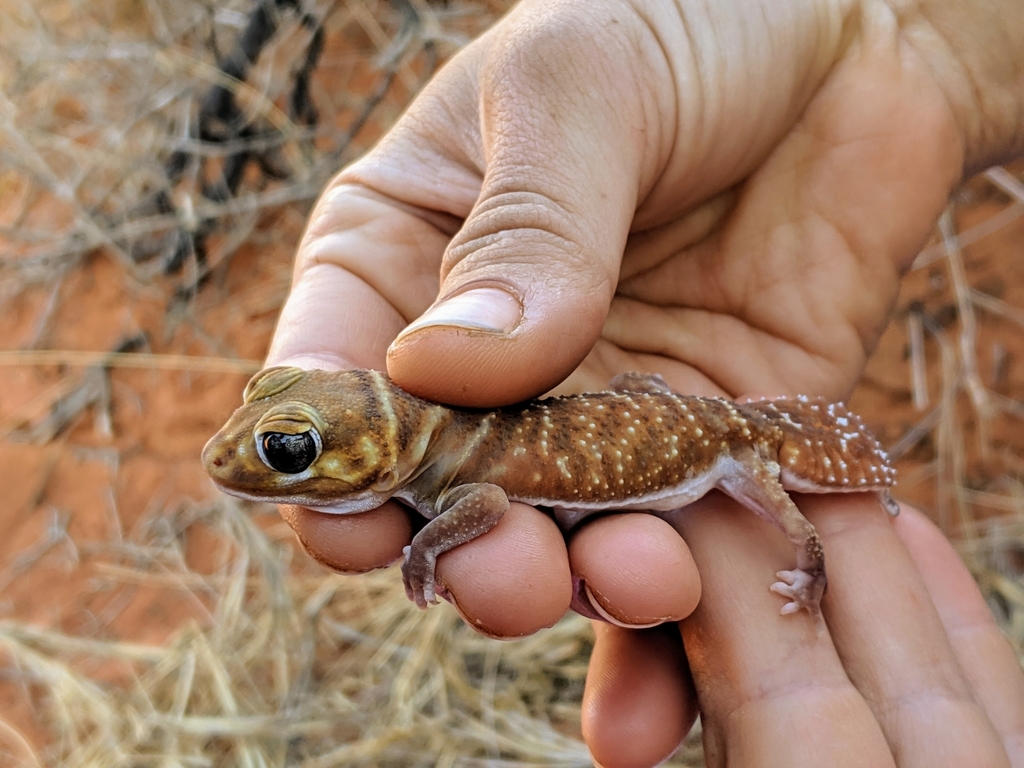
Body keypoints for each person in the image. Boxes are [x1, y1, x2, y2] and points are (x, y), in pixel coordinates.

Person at [264, 1, 1024, 765]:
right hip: (665, 413)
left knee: (793, 527)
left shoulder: (454, 464)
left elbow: (487, 503)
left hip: (719, 444)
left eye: (289, 445)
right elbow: (488, 496)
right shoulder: (436, 452)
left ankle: (818, 567)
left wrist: (426, 552)